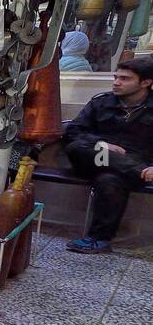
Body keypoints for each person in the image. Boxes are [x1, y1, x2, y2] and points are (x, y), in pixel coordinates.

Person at [63, 57, 153, 254]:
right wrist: (102, 144)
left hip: (132, 166)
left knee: (109, 180)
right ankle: (137, 171)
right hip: (96, 158)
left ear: (145, 82)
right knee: (76, 147)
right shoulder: (101, 102)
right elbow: (73, 132)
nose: (116, 82)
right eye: (116, 77)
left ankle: (99, 240)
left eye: (125, 78)